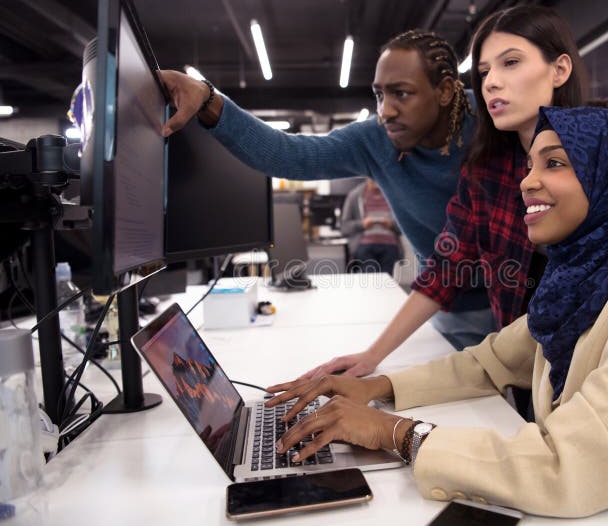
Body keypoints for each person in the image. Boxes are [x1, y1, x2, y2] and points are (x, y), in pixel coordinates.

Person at [264, 106, 608, 524]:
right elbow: (486, 363)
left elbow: (574, 466)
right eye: (531, 165)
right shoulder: (588, 274)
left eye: (554, 163)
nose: (527, 183)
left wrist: (392, 432)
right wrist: (374, 388)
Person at [301, 4, 608, 379]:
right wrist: (373, 356)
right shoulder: (486, 173)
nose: (492, 82)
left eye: (511, 62)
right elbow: (445, 270)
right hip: (535, 366)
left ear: (559, 70)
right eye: (485, 71)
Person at [158, 30, 497, 352]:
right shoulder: (376, 140)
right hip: (451, 308)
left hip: (523, 301)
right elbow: (290, 155)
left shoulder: (494, 118)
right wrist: (208, 99)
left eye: (402, 93)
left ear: (446, 91)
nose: (386, 111)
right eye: (380, 95)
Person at [341, 179, 402, 275]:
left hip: (390, 246)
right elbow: (345, 227)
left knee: (387, 284)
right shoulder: (355, 196)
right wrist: (362, 224)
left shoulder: (394, 195)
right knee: (370, 281)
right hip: (365, 246)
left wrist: (391, 224)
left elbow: (404, 228)